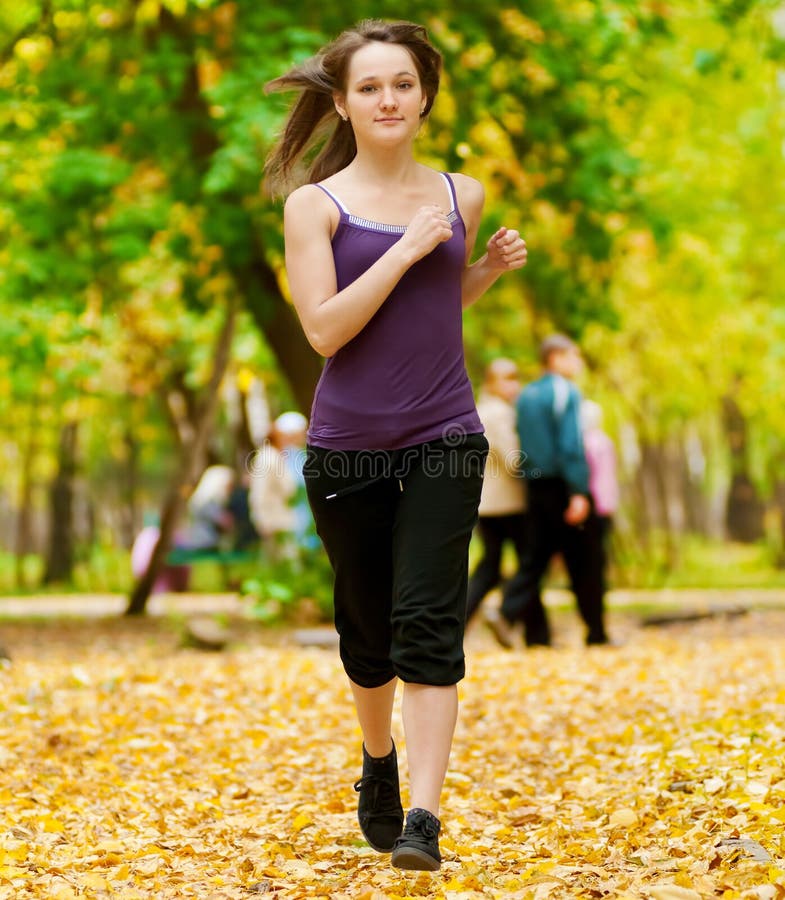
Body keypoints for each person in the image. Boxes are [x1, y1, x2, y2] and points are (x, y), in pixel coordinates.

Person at [264, 19, 528, 871]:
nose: (388, 99)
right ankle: (376, 759)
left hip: (445, 434)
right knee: (367, 628)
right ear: (342, 104)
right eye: (370, 86)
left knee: (427, 620)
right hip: (347, 446)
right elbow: (325, 330)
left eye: (403, 84)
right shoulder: (315, 206)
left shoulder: (461, 195)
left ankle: (423, 816)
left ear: (425, 99)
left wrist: (482, 272)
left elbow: (433, 308)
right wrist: (407, 249)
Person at [485, 334, 611, 648]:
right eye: (573, 356)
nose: (577, 362)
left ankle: (506, 611)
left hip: (534, 486)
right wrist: (578, 490)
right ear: (555, 357)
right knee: (586, 560)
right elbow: (570, 443)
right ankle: (596, 632)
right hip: (561, 485)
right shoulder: (565, 391)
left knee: (535, 558)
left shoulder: (526, 396)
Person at [465, 358, 527, 623]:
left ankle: (535, 631)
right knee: (527, 565)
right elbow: (515, 460)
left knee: (494, 566)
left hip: (488, 503)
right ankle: (514, 621)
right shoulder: (499, 414)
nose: (514, 385)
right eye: (507, 379)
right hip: (507, 503)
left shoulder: (480, 410)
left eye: (515, 378)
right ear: (491, 383)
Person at [249, 411, 314, 556]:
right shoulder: (270, 457)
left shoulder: (278, 455)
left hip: (286, 519)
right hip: (276, 522)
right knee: (283, 560)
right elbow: (261, 493)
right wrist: (262, 519)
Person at [581, 398, 620, 604]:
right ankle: (597, 592)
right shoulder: (605, 442)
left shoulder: (586, 443)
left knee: (590, 556)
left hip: (592, 505)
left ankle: (593, 592)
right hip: (605, 505)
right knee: (597, 554)